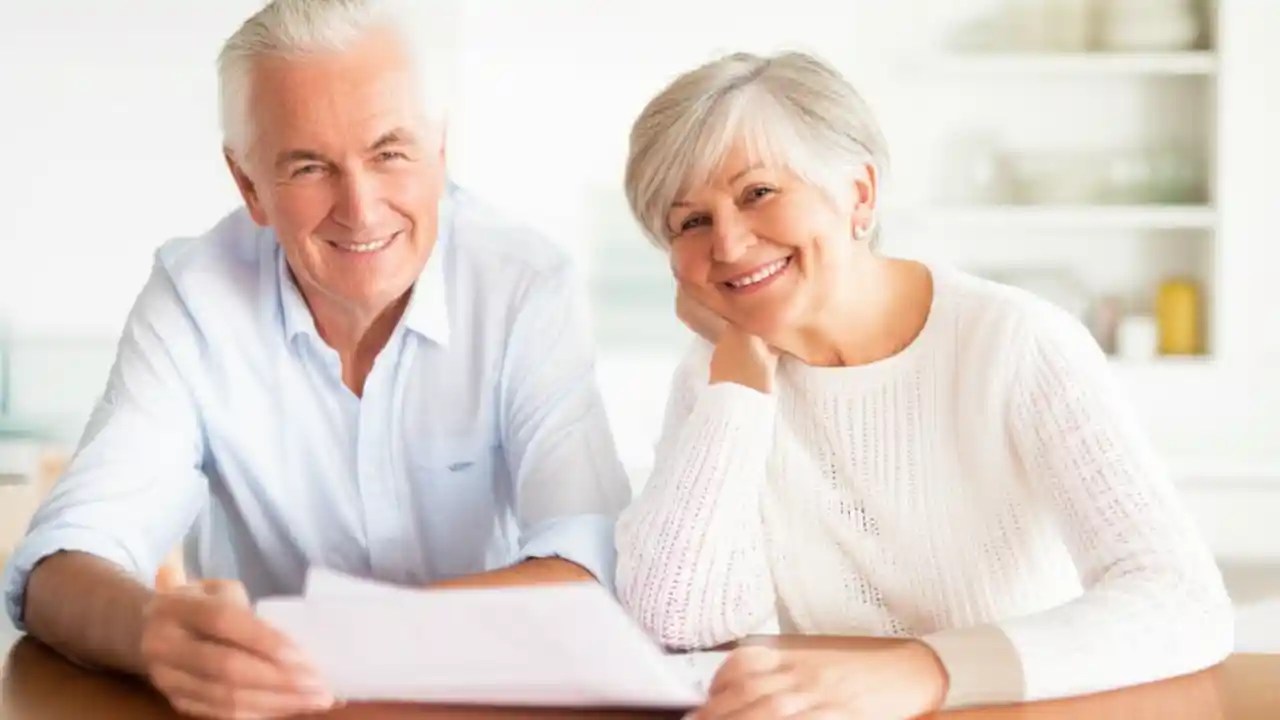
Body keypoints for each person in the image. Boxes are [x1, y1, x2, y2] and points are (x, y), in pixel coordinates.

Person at [2, 1, 630, 718]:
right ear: (248, 187)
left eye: (390, 152)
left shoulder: (524, 284)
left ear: (441, 150)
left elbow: (592, 561)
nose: (360, 209)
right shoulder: (194, 297)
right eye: (309, 167)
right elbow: (59, 562)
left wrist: (344, 640)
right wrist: (153, 632)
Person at [616, 51, 1232, 718]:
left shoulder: (1013, 342)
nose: (729, 244)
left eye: (757, 193)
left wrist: (930, 672)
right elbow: (679, 621)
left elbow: (1181, 599)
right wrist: (737, 379)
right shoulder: (720, 373)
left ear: (859, 194)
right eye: (691, 222)